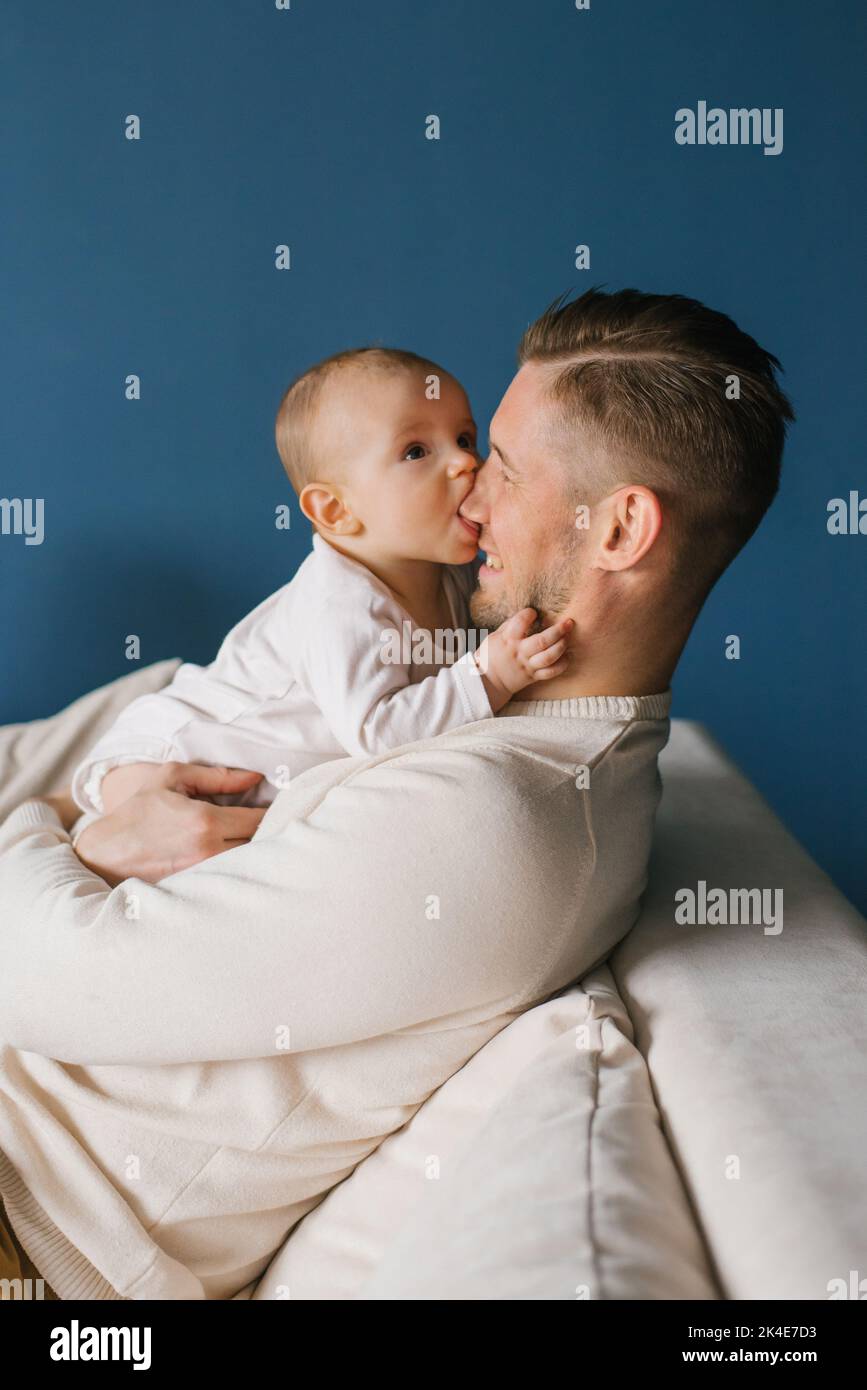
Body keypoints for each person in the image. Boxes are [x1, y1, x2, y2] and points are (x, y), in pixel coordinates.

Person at [0, 287, 794, 1300]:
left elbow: (38, 977)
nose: (471, 494)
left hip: (32, 1219)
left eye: (500, 464)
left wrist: (52, 819)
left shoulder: (489, 821)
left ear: (621, 528)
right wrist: (105, 790)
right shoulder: (477, 700)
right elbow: (171, 703)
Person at [68, 347, 571, 843]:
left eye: (465, 437)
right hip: (173, 749)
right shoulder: (341, 601)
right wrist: (491, 675)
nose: (465, 461)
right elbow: (378, 732)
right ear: (334, 512)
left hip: (258, 784)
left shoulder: (453, 579)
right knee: (107, 850)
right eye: (417, 451)